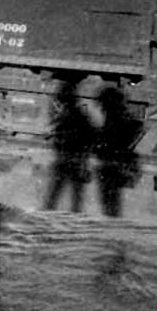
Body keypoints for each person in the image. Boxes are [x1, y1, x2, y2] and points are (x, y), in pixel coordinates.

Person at [43, 79, 94, 214]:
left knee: (54, 194)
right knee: (76, 198)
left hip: (63, 161)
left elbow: (56, 137)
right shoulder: (81, 115)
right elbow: (89, 139)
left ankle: (48, 215)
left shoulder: (63, 117)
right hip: (76, 161)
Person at [94, 87, 140, 218]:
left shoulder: (112, 117)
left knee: (110, 198)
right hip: (117, 160)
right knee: (112, 199)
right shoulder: (122, 116)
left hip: (112, 161)